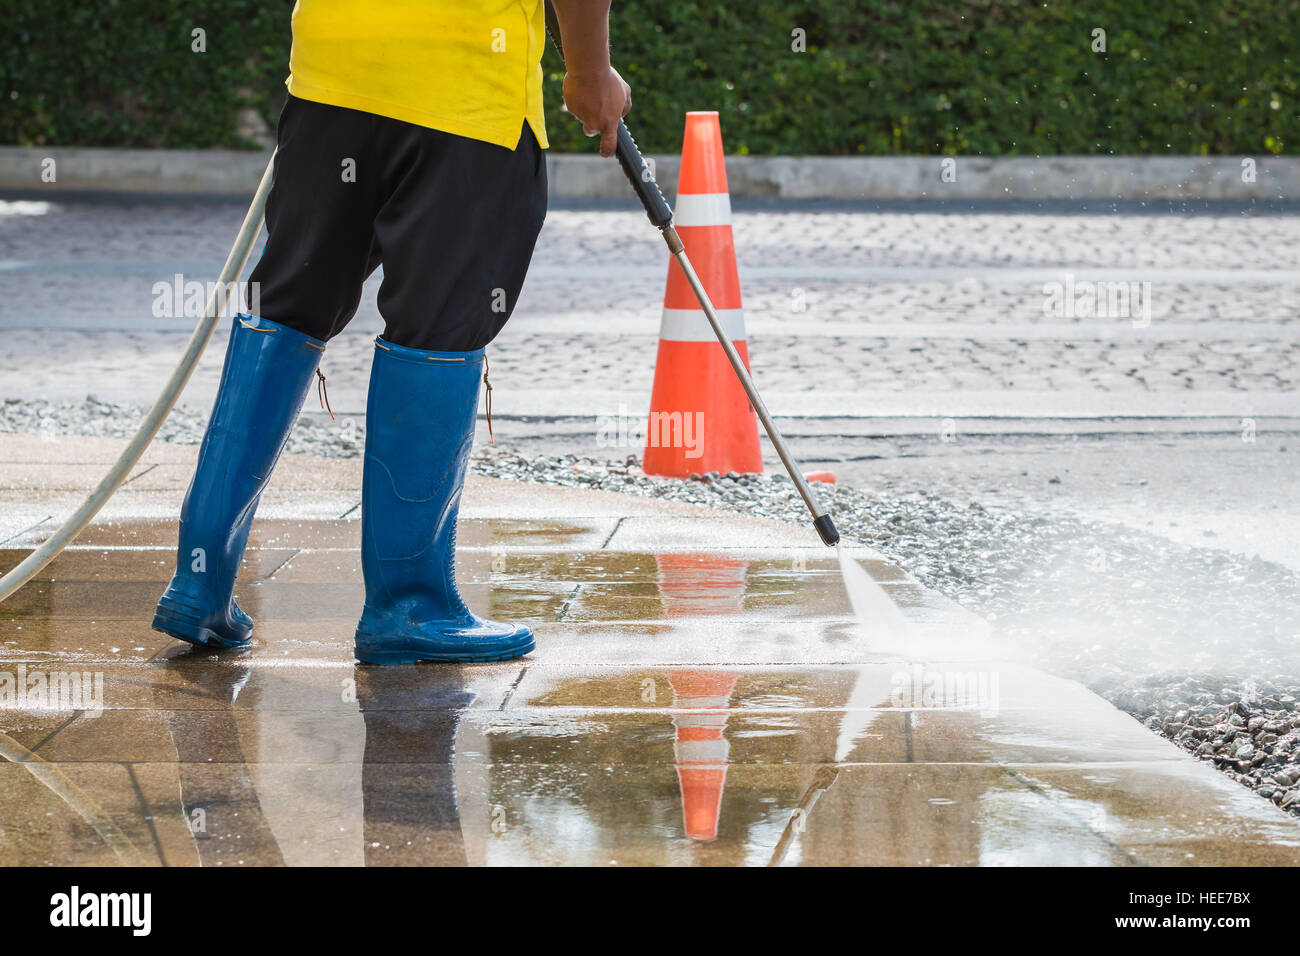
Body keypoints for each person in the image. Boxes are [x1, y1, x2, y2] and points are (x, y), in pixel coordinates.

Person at [152, 0, 631, 664]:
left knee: (289, 306)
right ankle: (410, 607)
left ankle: (198, 579)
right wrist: (590, 73)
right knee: (439, 327)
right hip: (463, 92)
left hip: (331, 77)